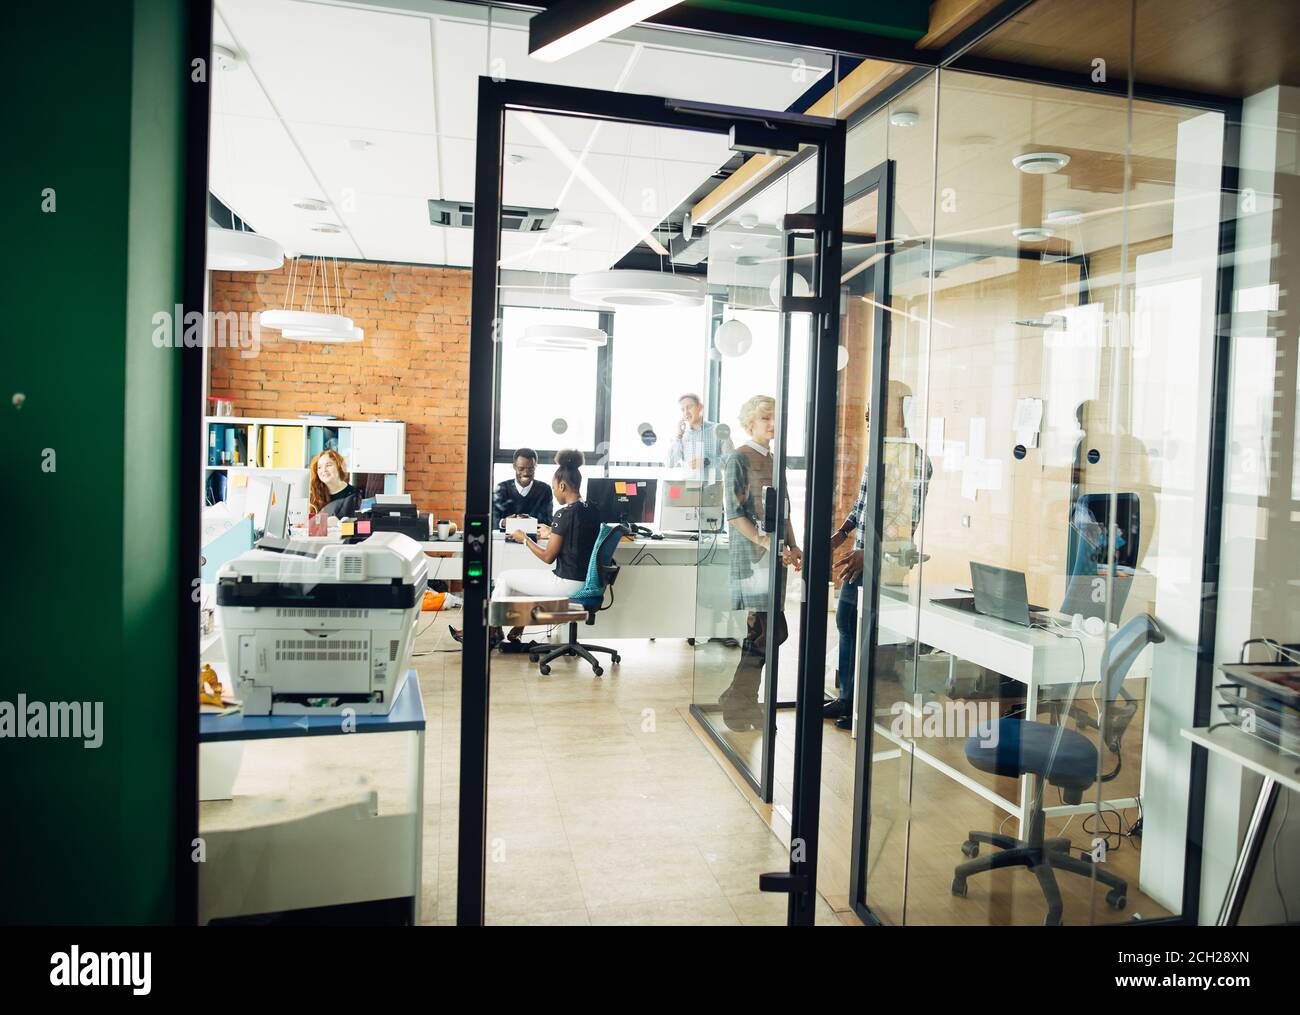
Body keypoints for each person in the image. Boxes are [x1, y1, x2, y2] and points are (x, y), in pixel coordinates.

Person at [824, 381, 931, 730]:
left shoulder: (915, 459)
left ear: (898, 410)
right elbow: (862, 503)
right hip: (860, 556)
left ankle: (864, 707)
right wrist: (840, 534)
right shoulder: (877, 451)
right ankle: (846, 699)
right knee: (846, 624)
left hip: (883, 563)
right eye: (868, 406)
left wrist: (870, 554)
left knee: (872, 634)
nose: (868, 414)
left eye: (876, 406)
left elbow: (905, 522)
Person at [717, 395, 802, 732]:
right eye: (766, 418)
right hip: (754, 556)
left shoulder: (773, 459)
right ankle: (740, 702)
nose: (773, 424)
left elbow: (784, 511)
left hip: (775, 555)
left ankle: (737, 698)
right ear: (750, 422)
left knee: (761, 630)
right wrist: (768, 542)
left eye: (776, 418)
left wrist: (794, 546)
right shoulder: (739, 458)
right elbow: (734, 514)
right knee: (771, 630)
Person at [493, 449, 601, 645]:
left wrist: (524, 538)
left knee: (504, 578)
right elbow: (578, 535)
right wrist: (553, 532)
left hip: (566, 583)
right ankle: (506, 630)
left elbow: (548, 557)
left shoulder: (564, 514)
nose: (553, 492)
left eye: (554, 488)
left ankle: (492, 631)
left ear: (562, 485)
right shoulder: (592, 509)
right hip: (585, 581)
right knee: (519, 583)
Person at [666, 392, 734, 481]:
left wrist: (707, 462)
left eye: (689, 407)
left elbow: (731, 461)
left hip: (712, 487)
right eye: (682, 409)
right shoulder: (680, 436)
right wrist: (679, 436)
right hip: (688, 487)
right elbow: (670, 463)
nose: (686, 412)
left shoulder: (719, 429)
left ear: (700, 407)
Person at [493, 447, 553, 531]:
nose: (525, 473)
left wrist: (523, 522)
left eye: (530, 469)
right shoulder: (502, 488)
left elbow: (547, 522)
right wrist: (504, 522)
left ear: (535, 467)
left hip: (535, 541)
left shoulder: (544, 489)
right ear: (514, 466)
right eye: (521, 469)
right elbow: (493, 520)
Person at [308, 449, 361, 518]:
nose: (324, 470)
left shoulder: (354, 494)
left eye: (328, 465)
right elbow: (311, 522)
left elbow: (355, 524)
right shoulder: (314, 494)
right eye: (319, 467)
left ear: (339, 467)